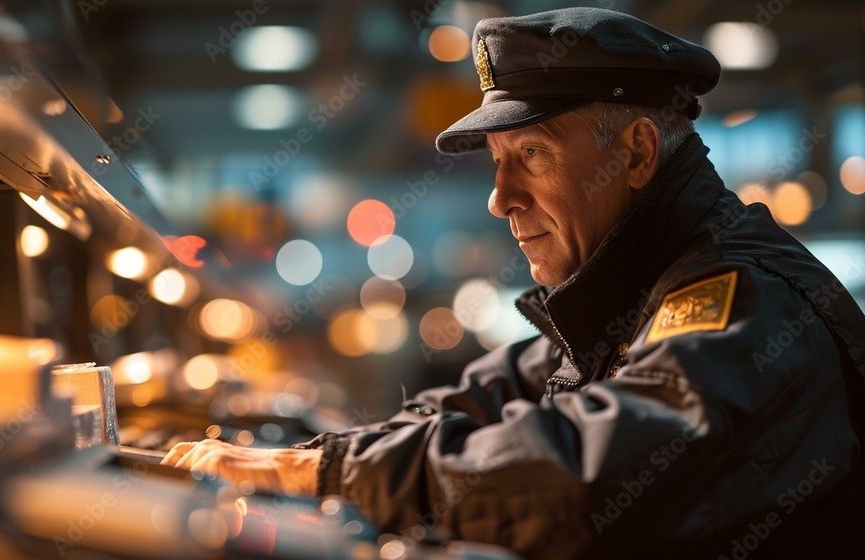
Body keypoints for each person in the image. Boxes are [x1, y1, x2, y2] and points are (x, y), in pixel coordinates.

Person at [163, 7, 865, 558]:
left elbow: (588, 476)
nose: (499, 198)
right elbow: (486, 394)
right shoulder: (623, 296)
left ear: (638, 152)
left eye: (531, 153)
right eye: (499, 160)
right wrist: (314, 458)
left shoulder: (742, 301)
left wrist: (322, 477)